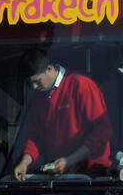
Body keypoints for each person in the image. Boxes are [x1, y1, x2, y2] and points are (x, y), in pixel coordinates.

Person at [13, 49, 112, 179]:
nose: (34, 87)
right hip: (60, 177)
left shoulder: (81, 85)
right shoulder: (39, 96)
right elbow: (35, 136)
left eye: (36, 81)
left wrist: (69, 160)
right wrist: (24, 162)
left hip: (92, 177)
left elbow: (103, 131)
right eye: (30, 83)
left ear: (49, 68)